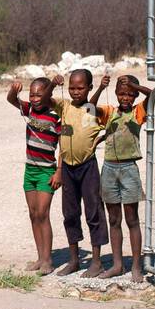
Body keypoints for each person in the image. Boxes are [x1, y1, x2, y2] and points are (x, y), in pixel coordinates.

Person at [94, 74, 152, 282]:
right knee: (114, 219)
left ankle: (136, 266)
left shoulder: (138, 112)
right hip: (109, 169)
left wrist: (134, 85)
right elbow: (90, 109)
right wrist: (100, 88)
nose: (125, 97)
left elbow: (153, 95)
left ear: (135, 95)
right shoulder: (109, 112)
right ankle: (118, 265)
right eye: (121, 93)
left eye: (129, 94)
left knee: (132, 219)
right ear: (116, 94)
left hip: (129, 169)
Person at [55, 68, 109, 277]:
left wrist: (103, 88)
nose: (75, 92)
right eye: (71, 87)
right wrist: (53, 82)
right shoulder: (64, 107)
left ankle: (96, 262)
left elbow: (91, 106)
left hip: (88, 167)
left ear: (89, 88)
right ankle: (74, 260)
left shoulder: (93, 110)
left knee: (93, 212)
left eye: (80, 88)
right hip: (68, 168)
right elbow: (46, 99)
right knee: (70, 213)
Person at [6, 76, 63, 275]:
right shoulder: (28, 110)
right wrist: (15, 90)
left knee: (43, 214)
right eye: (32, 94)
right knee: (32, 214)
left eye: (40, 94)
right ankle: (40, 257)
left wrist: (59, 171)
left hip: (47, 171)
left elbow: (64, 146)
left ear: (48, 95)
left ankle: (48, 260)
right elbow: (11, 100)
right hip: (30, 170)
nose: (36, 98)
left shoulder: (56, 116)